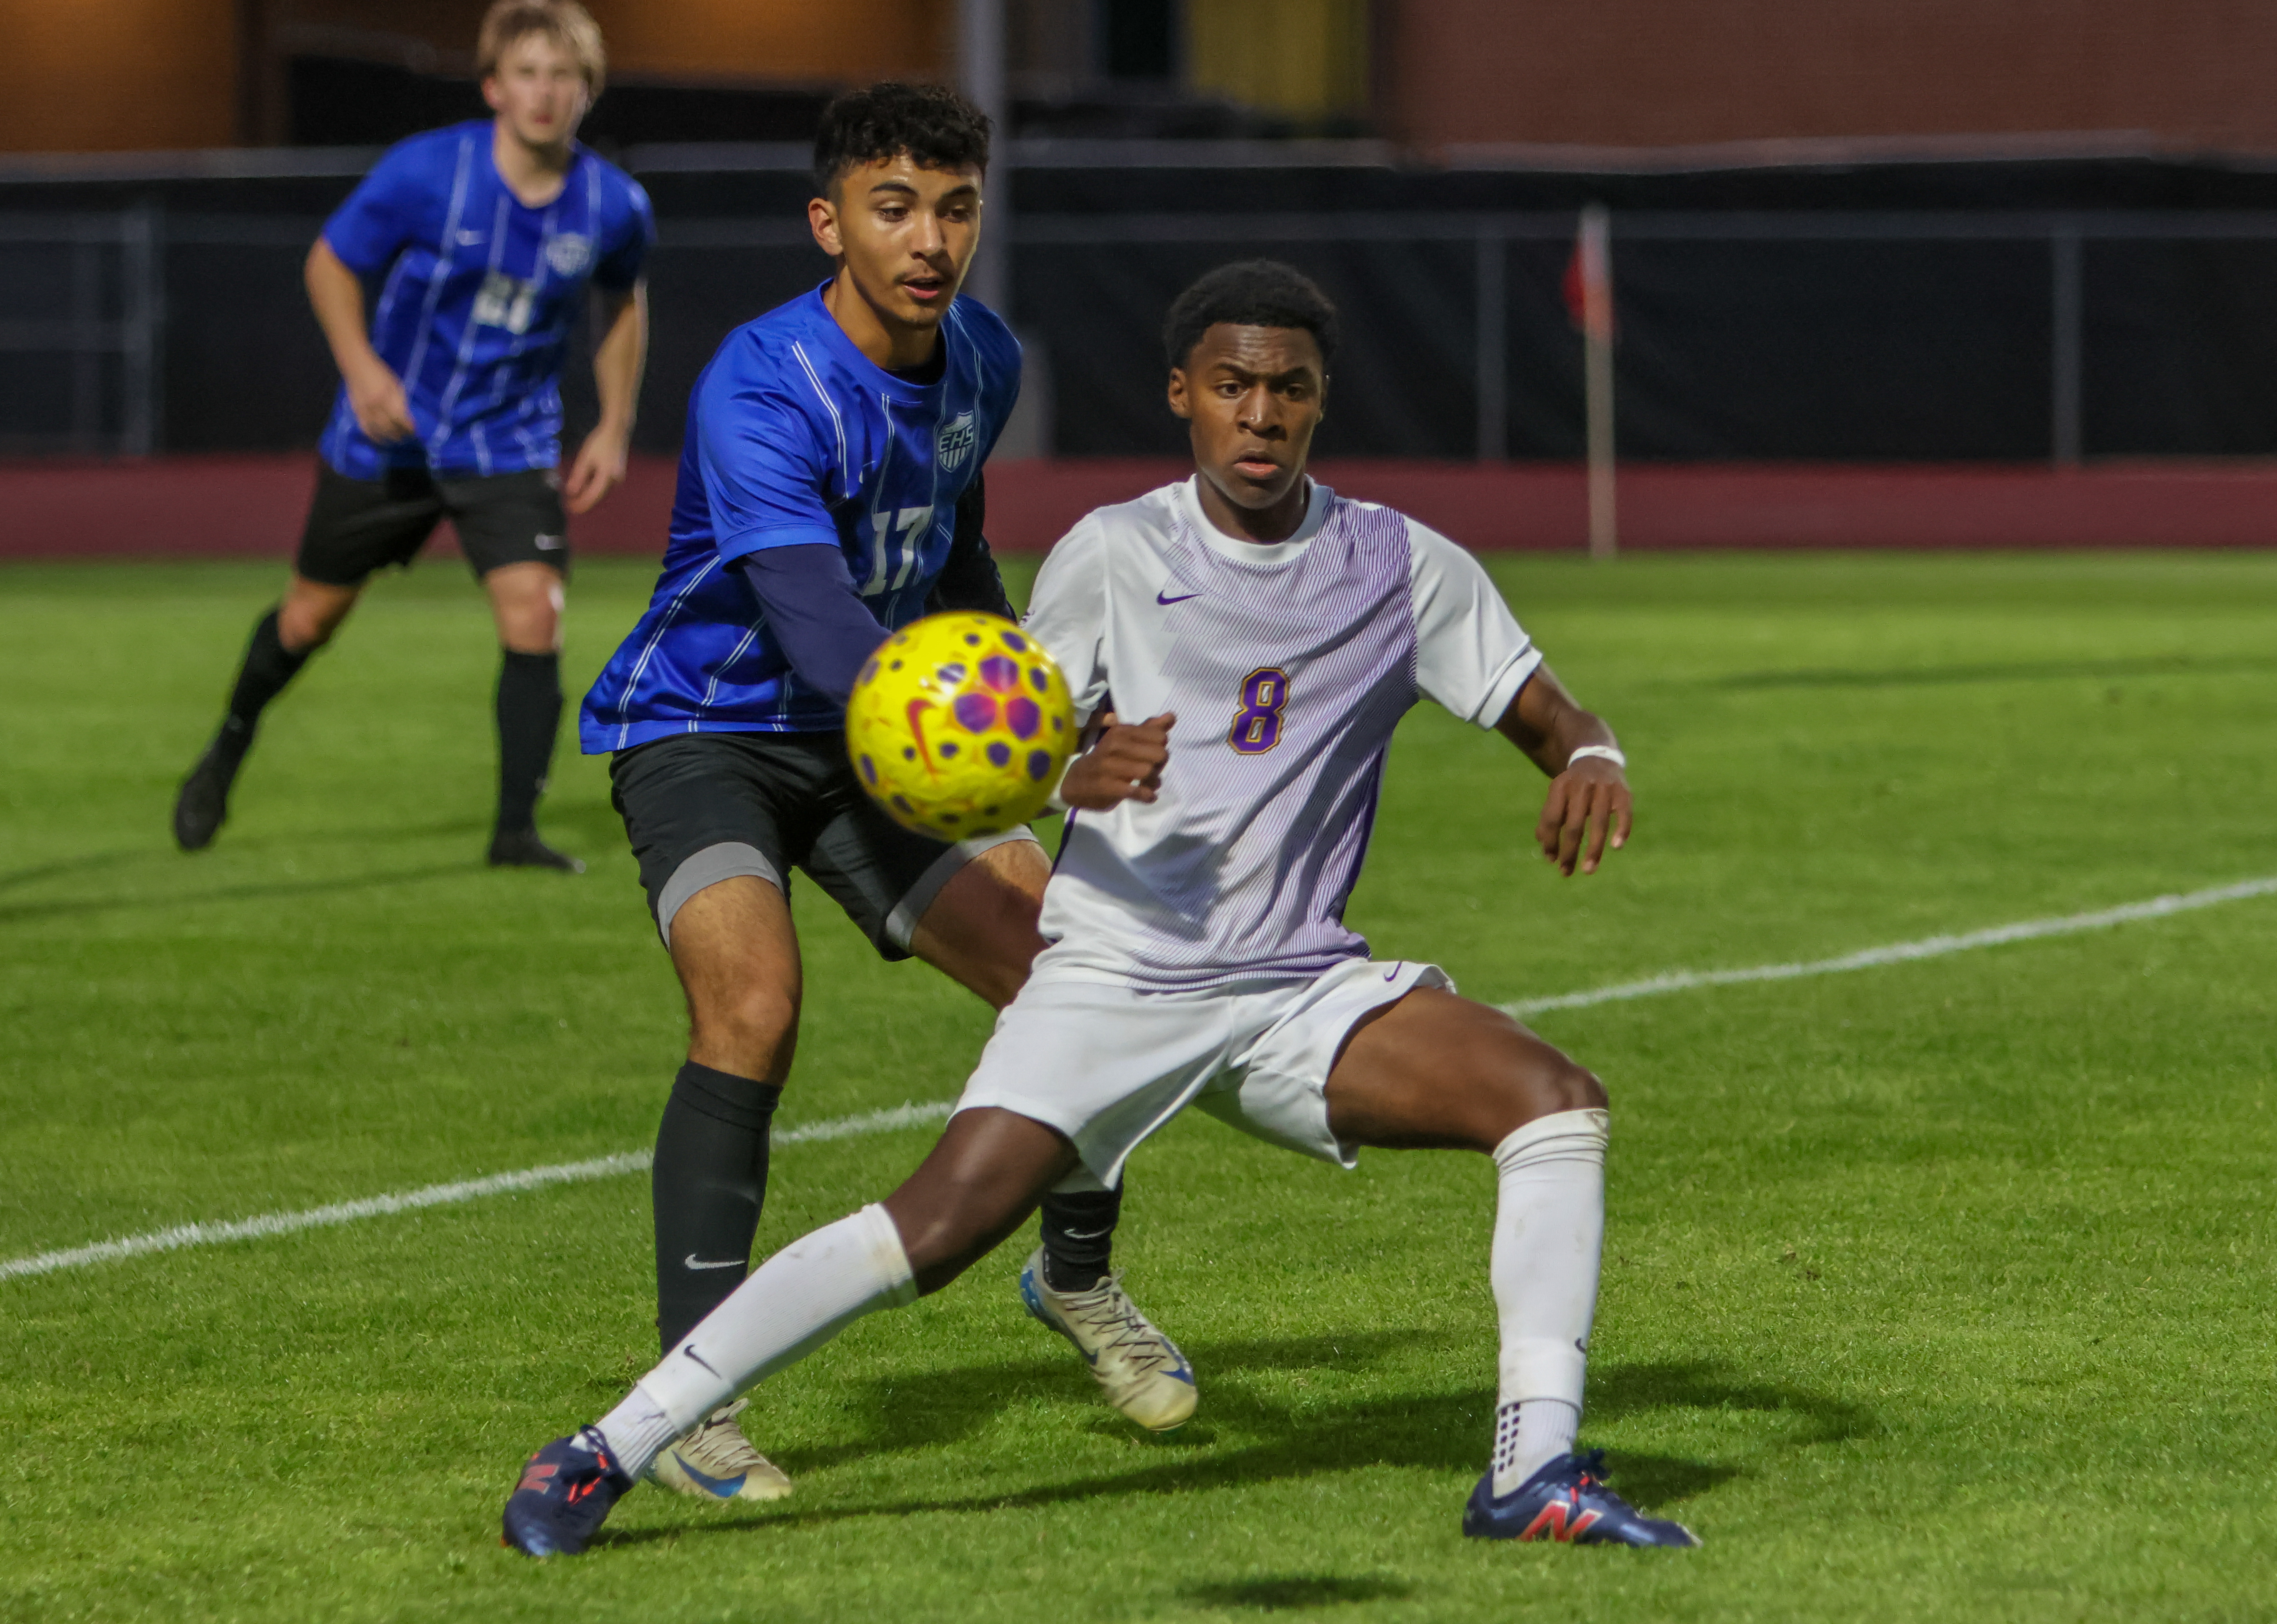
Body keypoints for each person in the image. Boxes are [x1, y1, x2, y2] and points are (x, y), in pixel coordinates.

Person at [501, 259, 1700, 1556]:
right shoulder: (1114, 551)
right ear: (1183, 395)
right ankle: (604, 1447)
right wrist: (1070, 768)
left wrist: (1592, 755)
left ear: (1318, 404)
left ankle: (1531, 1469)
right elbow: (992, 753)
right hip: (1115, 975)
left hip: (1298, 988)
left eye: (1287, 388)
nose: (1260, 414)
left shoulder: (1401, 564)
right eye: (1232, 385)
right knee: (938, 1228)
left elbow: (1543, 711)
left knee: (1552, 1103)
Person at [572, 83, 1192, 1505]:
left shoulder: (980, 356)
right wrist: (1027, 760)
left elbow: (951, 562)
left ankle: (1077, 1285)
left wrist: (1040, 688)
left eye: (955, 208)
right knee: (753, 1008)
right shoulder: (758, 380)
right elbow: (822, 624)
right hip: (710, 730)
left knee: (1075, 968)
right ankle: (691, 1397)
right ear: (828, 220)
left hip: (889, 740)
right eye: (893, 206)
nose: (928, 239)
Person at [171, 0, 650, 869]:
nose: (545, 93)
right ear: (494, 88)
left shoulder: (614, 206)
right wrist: (362, 372)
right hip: (391, 438)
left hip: (508, 443)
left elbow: (622, 304)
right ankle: (229, 742)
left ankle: (515, 832)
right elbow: (330, 262)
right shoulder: (428, 173)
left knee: (535, 611)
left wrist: (614, 425)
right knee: (309, 618)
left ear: (589, 90)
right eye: (528, 74)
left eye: (563, 76)